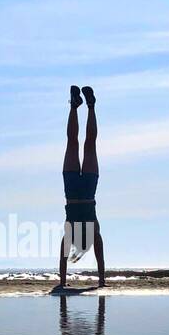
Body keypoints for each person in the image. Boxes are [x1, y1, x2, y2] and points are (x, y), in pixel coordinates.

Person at [60, 85, 105, 288]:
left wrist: (63, 283)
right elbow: (99, 258)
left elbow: (99, 259)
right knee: (83, 144)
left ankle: (77, 105)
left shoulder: (79, 232)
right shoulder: (83, 231)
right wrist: (101, 283)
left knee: (81, 144)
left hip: (82, 188)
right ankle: (88, 106)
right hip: (79, 190)